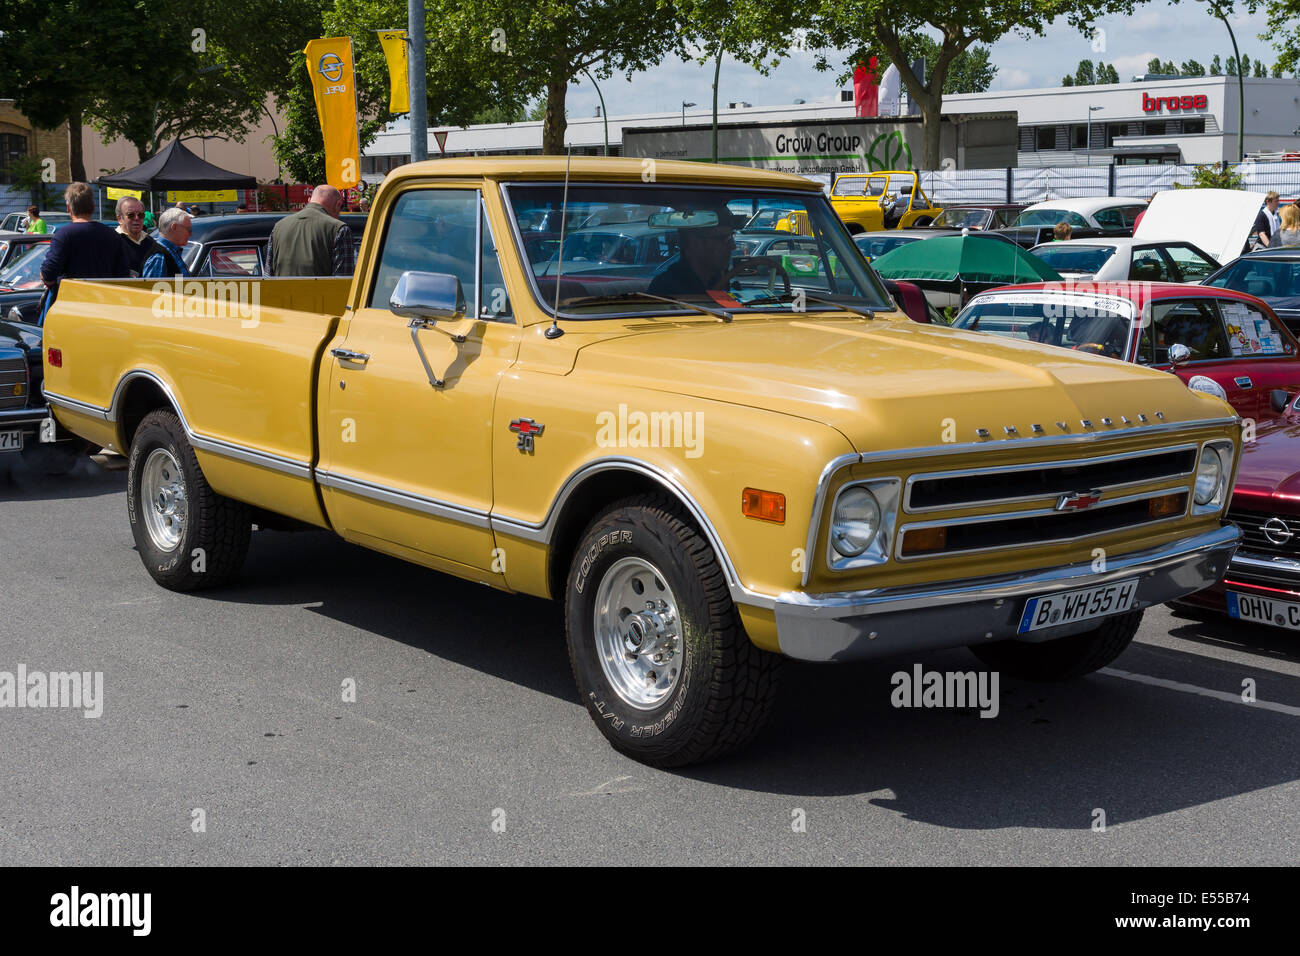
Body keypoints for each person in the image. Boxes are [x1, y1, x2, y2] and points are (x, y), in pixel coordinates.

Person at [39, 182, 130, 322]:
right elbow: (123, 275)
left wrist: (46, 278)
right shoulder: (112, 235)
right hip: (105, 308)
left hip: (71, 309)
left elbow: (48, 273)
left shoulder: (64, 234)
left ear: (69, 208)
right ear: (93, 206)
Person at [264, 184, 355, 277]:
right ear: (338, 204)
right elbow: (343, 281)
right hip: (320, 291)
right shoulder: (340, 230)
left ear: (309, 200)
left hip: (281, 291)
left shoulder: (278, 227)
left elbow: (267, 276)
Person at [647, 222, 737, 297]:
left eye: (732, 238)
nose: (733, 246)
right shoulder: (666, 287)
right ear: (694, 243)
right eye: (725, 239)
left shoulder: (719, 279)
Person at [114, 196, 159, 276]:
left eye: (141, 215)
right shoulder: (111, 242)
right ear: (119, 219)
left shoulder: (151, 242)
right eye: (131, 215)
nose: (137, 218)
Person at [141, 207, 193, 278]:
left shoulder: (170, 252)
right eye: (189, 229)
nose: (191, 234)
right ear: (174, 227)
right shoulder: (159, 257)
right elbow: (152, 288)